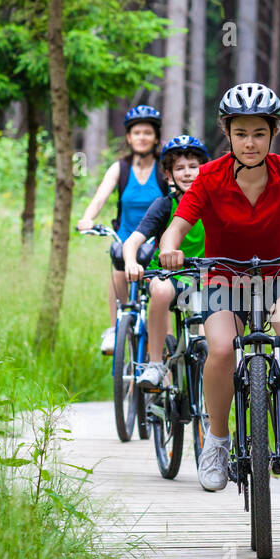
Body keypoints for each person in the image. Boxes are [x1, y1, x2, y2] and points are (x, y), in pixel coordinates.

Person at [157, 82, 280, 492]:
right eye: (241, 133)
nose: (250, 142)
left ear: (273, 133)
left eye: (259, 133)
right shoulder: (209, 177)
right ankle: (217, 442)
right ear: (226, 133)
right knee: (222, 348)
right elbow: (176, 228)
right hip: (225, 277)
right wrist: (170, 250)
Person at [122, 135, 210, 392]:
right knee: (160, 289)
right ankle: (157, 363)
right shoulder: (164, 205)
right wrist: (131, 262)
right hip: (168, 275)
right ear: (169, 176)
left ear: (204, 170)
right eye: (179, 168)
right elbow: (132, 242)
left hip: (205, 276)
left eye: (193, 167)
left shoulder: (215, 203)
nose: (187, 173)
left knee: (208, 337)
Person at [76, 104, 166, 355]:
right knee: (117, 265)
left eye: (147, 132)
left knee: (161, 296)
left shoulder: (163, 169)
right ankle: (116, 327)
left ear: (156, 137)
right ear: (128, 137)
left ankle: (162, 352)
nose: (142, 137)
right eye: (136, 133)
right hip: (125, 240)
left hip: (156, 245)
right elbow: (99, 197)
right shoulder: (120, 168)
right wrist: (87, 218)